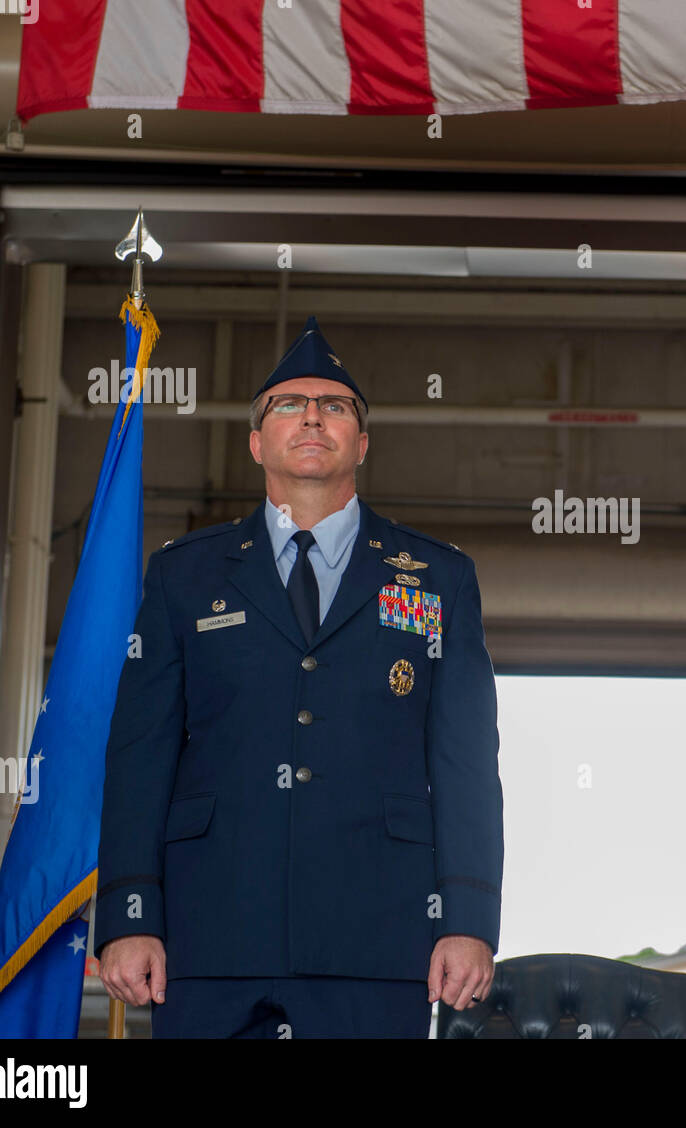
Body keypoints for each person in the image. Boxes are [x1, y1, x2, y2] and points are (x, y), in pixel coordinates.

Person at [95, 316, 503, 1037]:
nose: (313, 415)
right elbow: (140, 755)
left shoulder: (440, 577)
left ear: (362, 442)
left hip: (378, 935)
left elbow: (467, 763)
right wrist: (130, 913)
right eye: (290, 404)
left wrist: (469, 919)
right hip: (208, 930)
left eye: (335, 405)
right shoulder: (183, 575)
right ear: (257, 442)